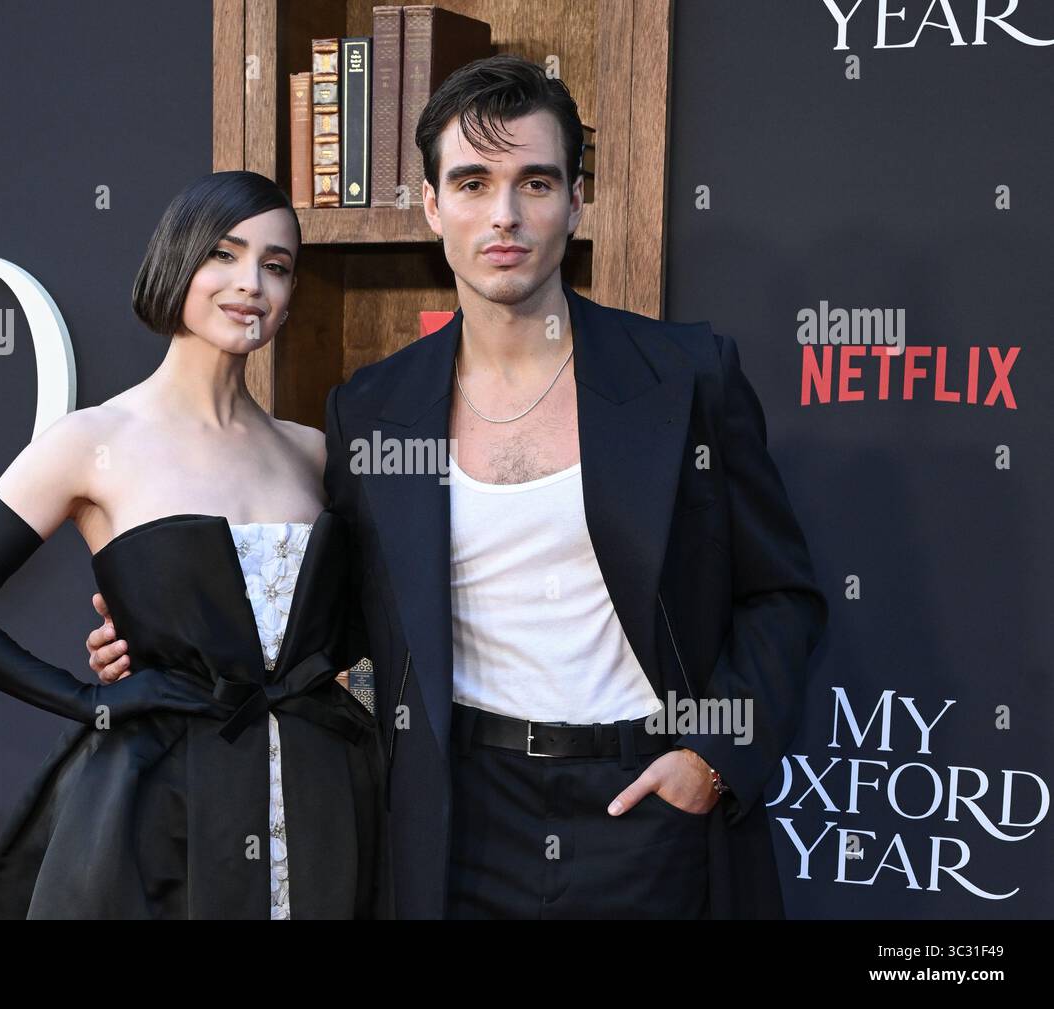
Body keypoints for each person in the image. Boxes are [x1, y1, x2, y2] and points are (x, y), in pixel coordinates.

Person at [91, 56, 828, 919]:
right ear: (434, 206)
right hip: (454, 817)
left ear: (576, 201)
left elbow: (781, 595)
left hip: (646, 809)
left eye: (535, 182)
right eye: (473, 183)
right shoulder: (372, 408)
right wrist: (169, 631)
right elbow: (343, 620)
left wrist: (710, 760)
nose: (504, 214)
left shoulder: (688, 373)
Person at [0, 170, 387, 920]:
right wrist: (91, 699)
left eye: (277, 265)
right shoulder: (93, 440)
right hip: (165, 808)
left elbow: (366, 642)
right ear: (176, 262)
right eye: (224, 254)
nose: (250, 283)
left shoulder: (315, 453)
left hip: (321, 799)